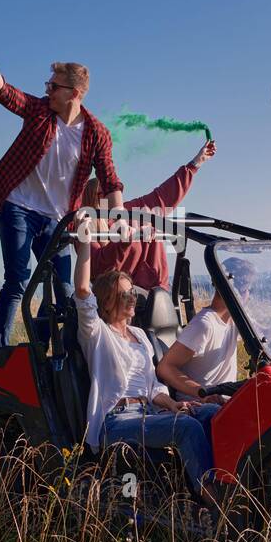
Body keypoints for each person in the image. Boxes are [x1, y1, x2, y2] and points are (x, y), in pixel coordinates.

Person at [0, 22, 125, 346]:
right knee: (17, 281)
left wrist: (120, 216)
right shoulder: (40, 112)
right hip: (20, 209)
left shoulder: (96, 133)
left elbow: (110, 178)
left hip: (57, 220)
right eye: (48, 85)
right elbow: (5, 93)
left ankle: (39, 352)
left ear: (75, 93)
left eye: (54, 87)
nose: (47, 91)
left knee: (63, 289)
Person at [72, 216, 224, 504]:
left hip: (149, 414)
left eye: (133, 292)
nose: (132, 297)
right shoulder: (96, 333)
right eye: (124, 293)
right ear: (106, 301)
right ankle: (214, 502)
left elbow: (154, 387)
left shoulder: (141, 335)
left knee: (208, 414)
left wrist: (177, 404)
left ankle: (233, 485)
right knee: (187, 428)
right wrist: (83, 244)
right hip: (115, 421)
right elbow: (82, 291)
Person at [82, 139, 217, 292]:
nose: (115, 195)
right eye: (107, 192)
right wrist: (124, 242)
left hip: (157, 293)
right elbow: (97, 267)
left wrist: (196, 163)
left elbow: (164, 195)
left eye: (117, 191)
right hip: (118, 298)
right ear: (93, 197)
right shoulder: (87, 224)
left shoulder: (132, 210)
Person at [157, 257, 253, 402]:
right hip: (200, 405)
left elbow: (265, 336)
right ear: (235, 291)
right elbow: (165, 368)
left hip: (226, 401)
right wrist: (204, 394)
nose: (249, 295)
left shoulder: (234, 320)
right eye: (248, 289)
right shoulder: (204, 325)